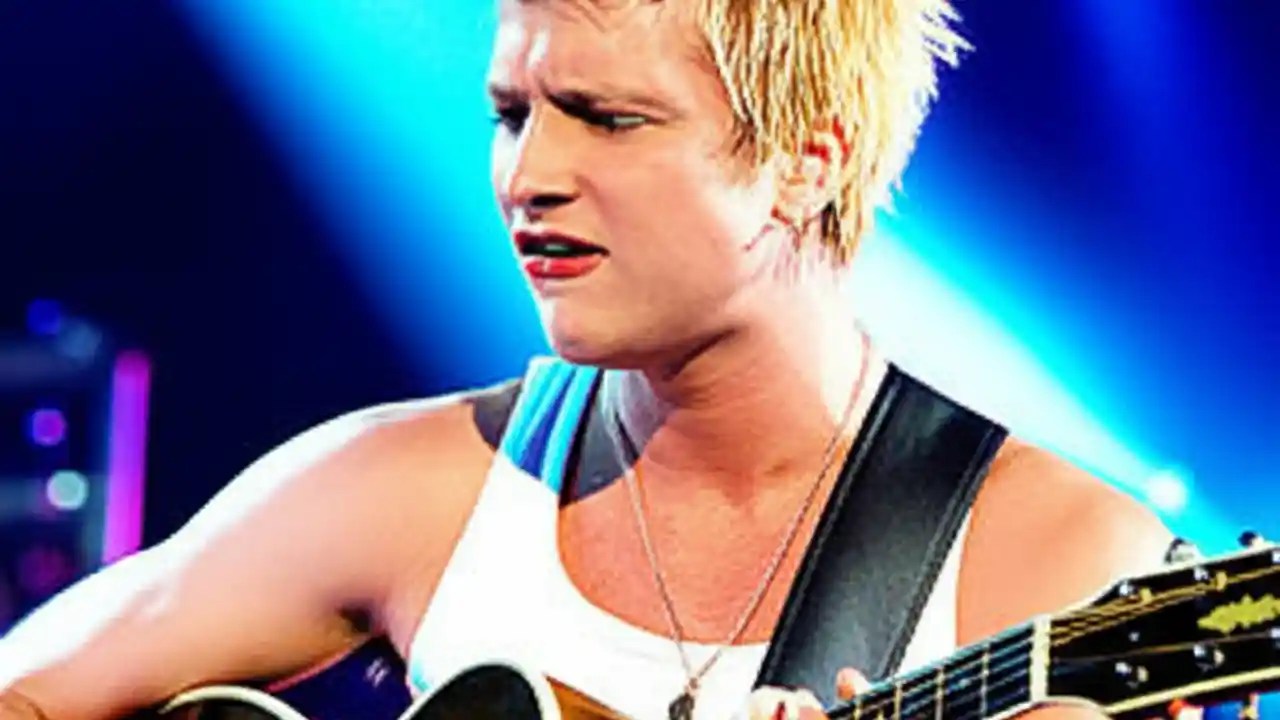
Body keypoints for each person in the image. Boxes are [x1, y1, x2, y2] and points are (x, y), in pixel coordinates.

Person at [0, 0, 1176, 719]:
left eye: (608, 119)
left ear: (803, 160)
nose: (526, 178)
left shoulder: (1064, 569)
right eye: (513, 114)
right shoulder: (422, 490)